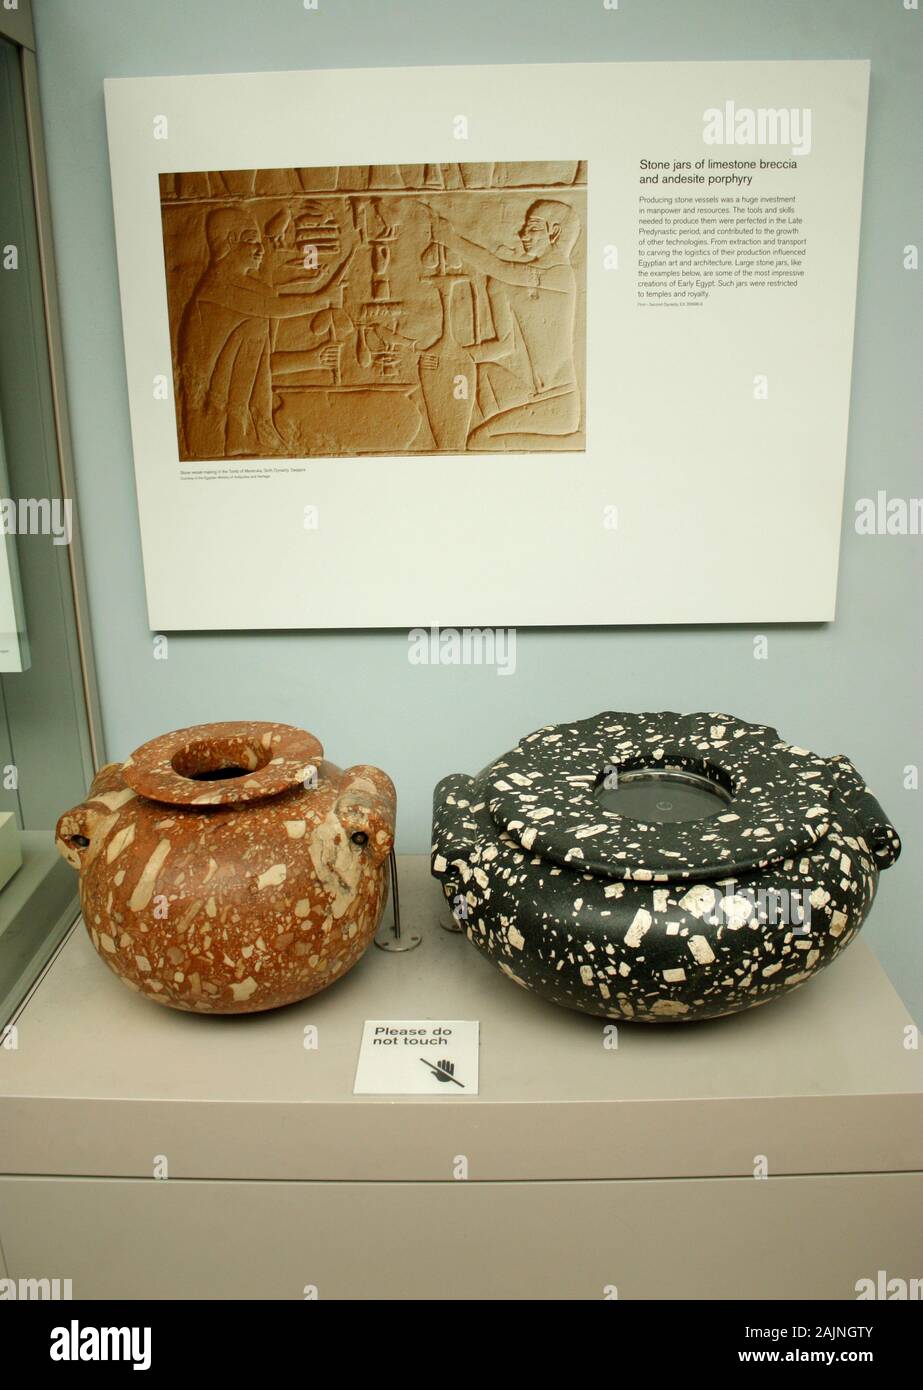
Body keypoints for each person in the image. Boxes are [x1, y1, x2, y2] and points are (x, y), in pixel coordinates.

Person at [425, 199, 582, 447]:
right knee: (485, 372)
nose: (522, 235)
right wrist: (452, 357)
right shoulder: (514, 282)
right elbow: (504, 346)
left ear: (554, 233)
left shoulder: (560, 274)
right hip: (534, 396)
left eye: (532, 228)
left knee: (478, 442)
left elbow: (501, 268)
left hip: (558, 401)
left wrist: (450, 238)